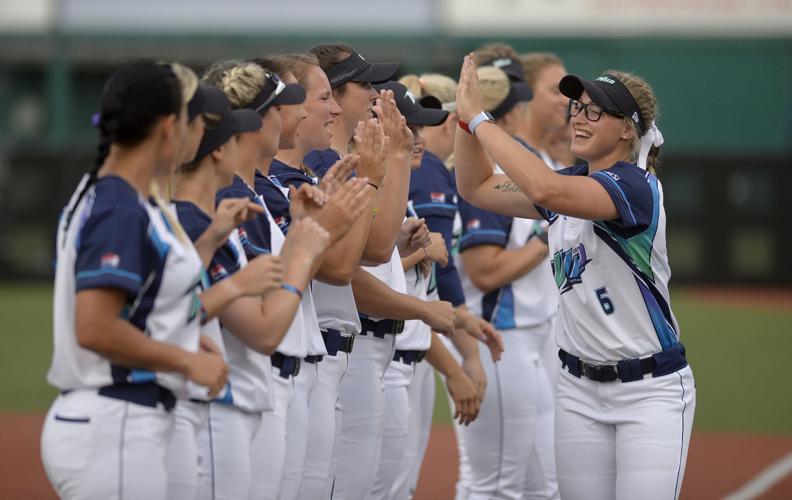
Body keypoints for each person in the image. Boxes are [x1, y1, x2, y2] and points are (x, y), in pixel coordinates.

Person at [454, 54, 696, 500]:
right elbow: (476, 187)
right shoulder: (570, 183)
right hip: (578, 392)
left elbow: (545, 188)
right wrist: (465, 121)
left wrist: (481, 119)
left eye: (595, 110)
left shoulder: (635, 186)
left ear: (628, 128)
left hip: (648, 393)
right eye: (577, 108)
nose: (579, 118)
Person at [40, 61, 275, 500]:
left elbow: (142, 305)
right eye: (192, 121)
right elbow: (94, 326)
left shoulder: (113, 194)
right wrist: (184, 359)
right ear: (169, 128)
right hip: (116, 418)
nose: (198, 132)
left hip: (119, 418)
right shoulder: (119, 206)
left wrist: (183, 335)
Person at [170, 85, 331, 499]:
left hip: (241, 393)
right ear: (218, 150)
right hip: (221, 399)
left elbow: (176, 305)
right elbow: (261, 329)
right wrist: (303, 248)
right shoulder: (192, 216)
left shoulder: (211, 218)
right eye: (232, 135)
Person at [450, 64, 560, 500]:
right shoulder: (496, 164)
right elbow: (484, 271)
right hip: (500, 336)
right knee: (495, 485)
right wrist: (543, 240)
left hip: (529, 339)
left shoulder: (535, 163)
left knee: (541, 486)